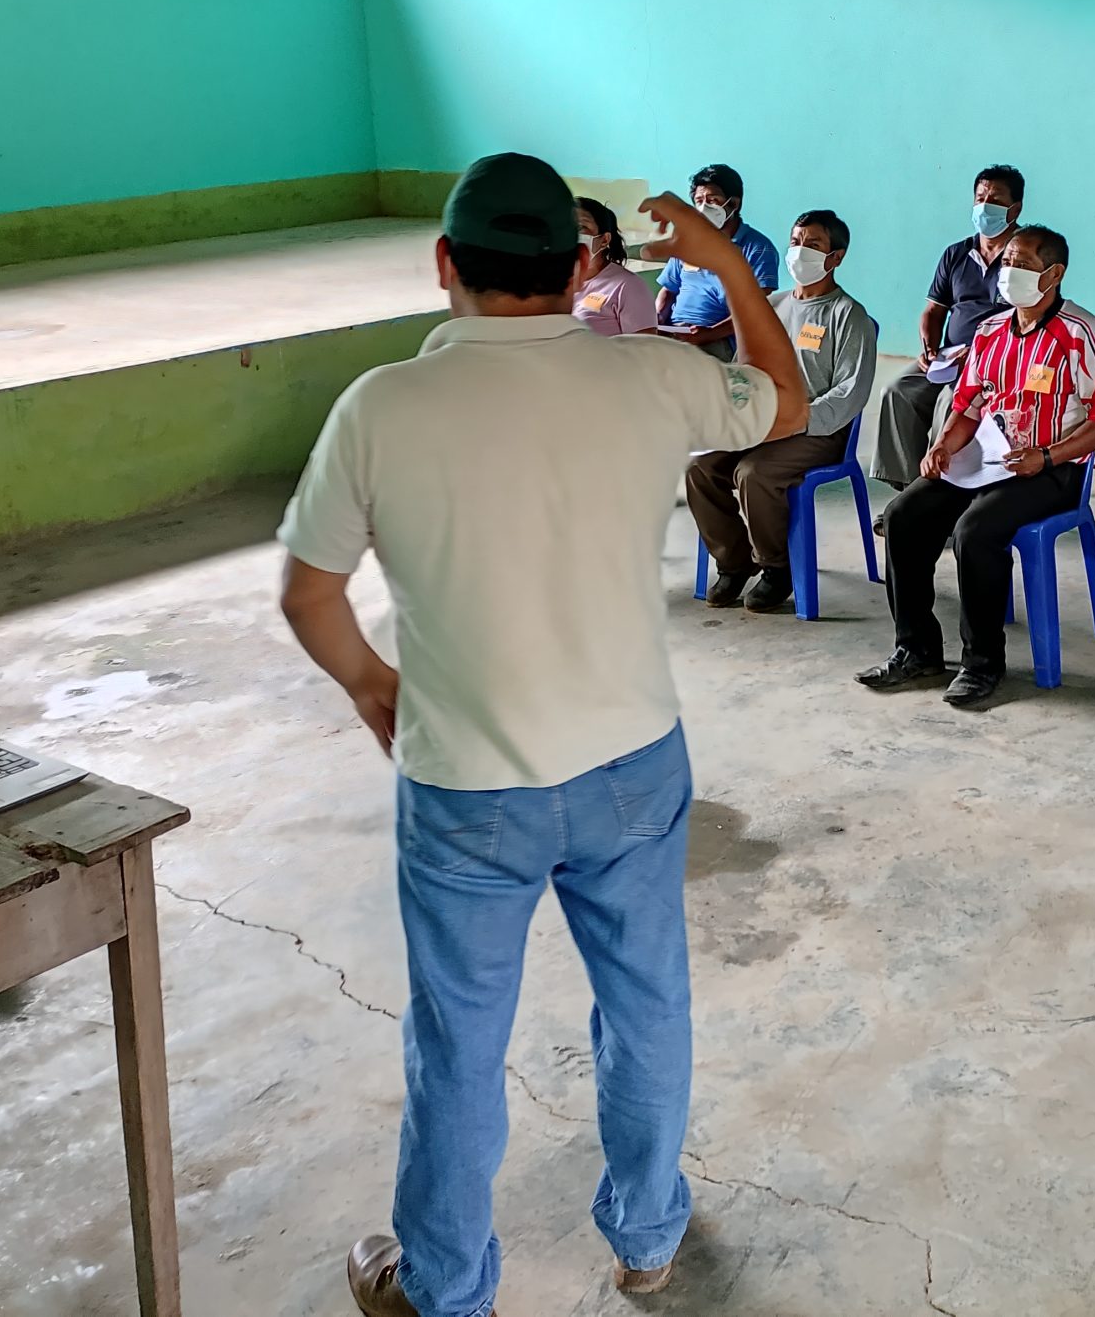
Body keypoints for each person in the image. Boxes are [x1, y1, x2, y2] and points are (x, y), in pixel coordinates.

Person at [276, 153, 809, 1317]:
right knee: (646, 1002)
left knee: (459, 1037)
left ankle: (448, 1285)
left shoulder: (382, 404)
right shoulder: (649, 376)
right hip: (630, 761)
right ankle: (648, 1237)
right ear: (578, 268)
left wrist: (375, 685)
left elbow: (308, 593)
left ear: (443, 265)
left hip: (468, 781)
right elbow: (788, 397)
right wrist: (723, 263)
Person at [858, 224, 1095, 711]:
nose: (1009, 273)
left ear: (1054, 273)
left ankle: (983, 663)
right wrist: (943, 445)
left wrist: (1047, 456)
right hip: (987, 459)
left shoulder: (1083, 334)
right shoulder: (990, 332)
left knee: (975, 531)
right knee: (903, 515)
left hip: (1053, 470)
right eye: (1006, 263)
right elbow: (969, 403)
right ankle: (916, 649)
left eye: (1022, 264)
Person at [687, 209, 879, 614]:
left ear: (836, 257)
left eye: (813, 245)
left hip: (819, 431)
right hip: (761, 421)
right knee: (701, 468)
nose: (800, 252)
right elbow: (744, 369)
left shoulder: (848, 316)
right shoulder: (772, 306)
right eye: (796, 242)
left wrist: (798, 420)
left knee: (753, 473)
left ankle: (776, 568)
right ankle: (734, 563)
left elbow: (850, 392)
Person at [874, 165, 1025, 491]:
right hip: (949, 357)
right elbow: (933, 311)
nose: (985, 206)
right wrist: (929, 347)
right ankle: (910, 494)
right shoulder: (956, 254)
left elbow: (1029, 320)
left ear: (1015, 209)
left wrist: (981, 352)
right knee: (897, 392)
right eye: (980, 198)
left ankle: (942, 499)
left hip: (994, 363)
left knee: (949, 401)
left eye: (995, 200)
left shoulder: (1023, 257)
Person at [652, 164, 779, 358]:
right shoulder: (688, 242)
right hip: (675, 334)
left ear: (734, 204)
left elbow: (755, 311)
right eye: (699, 201)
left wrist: (710, 334)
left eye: (713, 200)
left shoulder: (758, 247)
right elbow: (668, 290)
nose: (704, 208)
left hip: (720, 341)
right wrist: (657, 318)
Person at [570, 197, 657, 337]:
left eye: (581, 227)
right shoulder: (554, 281)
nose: (570, 233)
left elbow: (645, 349)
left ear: (604, 240)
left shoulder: (627, 286)